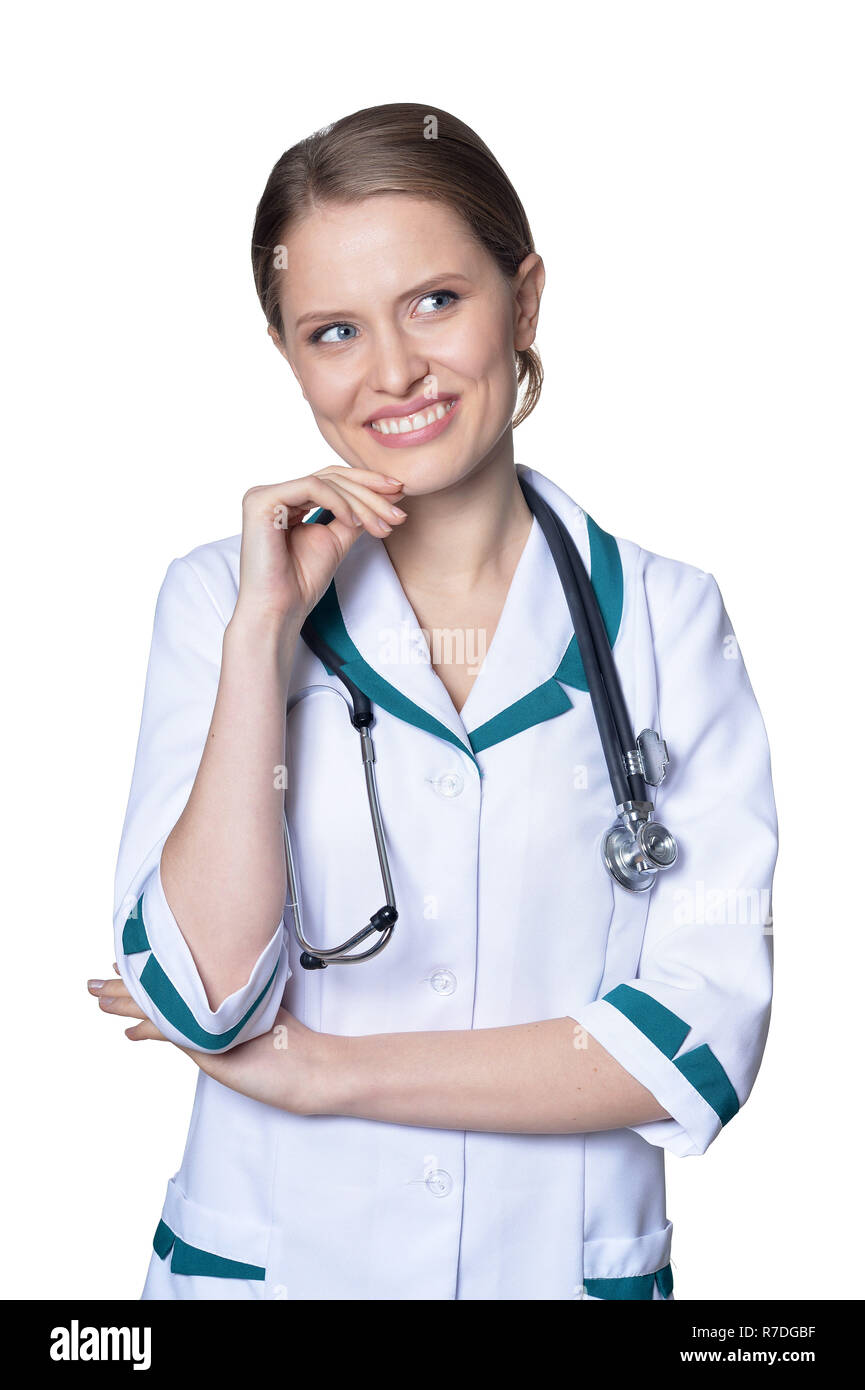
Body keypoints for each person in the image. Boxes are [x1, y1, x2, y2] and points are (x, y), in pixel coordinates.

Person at [89, 102, 777, 1301]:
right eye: (334, 330)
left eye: (436, 302)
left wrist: (328, 1070)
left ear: (526, 300)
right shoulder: (218, 602)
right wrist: (265, 637)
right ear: (287, 353)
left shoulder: (668, 619)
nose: (393, 371)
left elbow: (697, 1046)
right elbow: (200, 994)